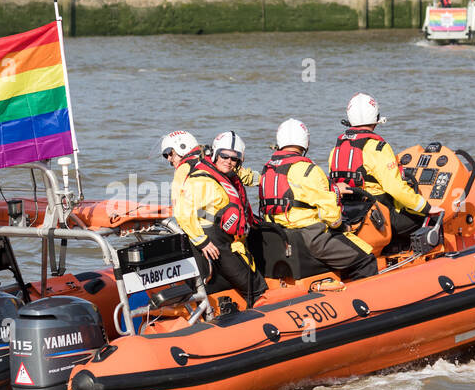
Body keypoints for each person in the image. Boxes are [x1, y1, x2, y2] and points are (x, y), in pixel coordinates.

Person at [261, 119, 380, 280]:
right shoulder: (309, 170)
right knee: (366, 259)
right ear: (305, 141)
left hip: (280, 235)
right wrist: (342, 226)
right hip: (312, 238)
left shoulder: (268, 170)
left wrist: (335, 190)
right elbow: (332, 216)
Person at [327, 94, 431, 255]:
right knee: (429, 218)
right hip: (379, 217)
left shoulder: (336, 150)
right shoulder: (378, 148)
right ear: (376, 118)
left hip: (349, 215)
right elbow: (396, 188)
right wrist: (426, 207)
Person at [174, 131, 266, 308]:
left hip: (229, 239)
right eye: (224, 156)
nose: (228, 161)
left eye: (234, 158)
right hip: (213, 241)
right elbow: (183, 212)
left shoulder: (228, 175)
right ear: (216, 154)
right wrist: (202, 241)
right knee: (254, 286)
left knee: (249, 275)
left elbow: (248, 177)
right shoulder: (200, 180)